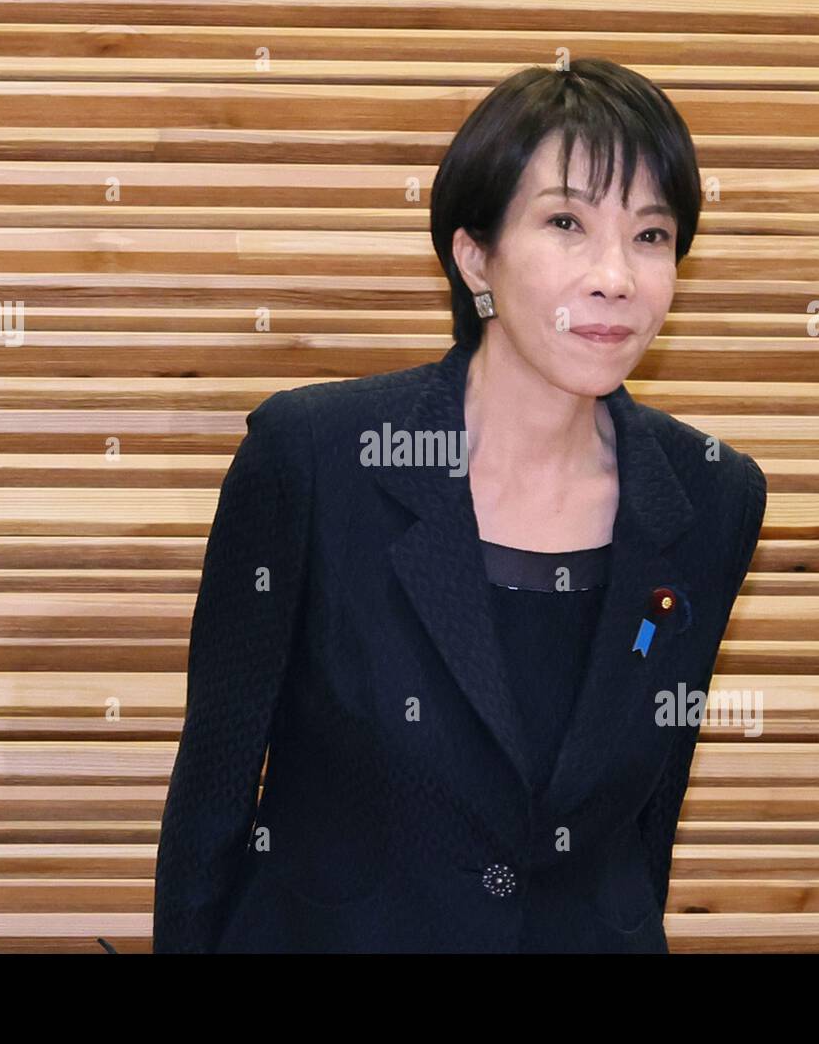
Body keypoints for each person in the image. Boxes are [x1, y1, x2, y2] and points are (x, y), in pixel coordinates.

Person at [152, 57, 767, 953]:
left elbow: (648, 815)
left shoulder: (710, 493)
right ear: (474, 254)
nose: (616, 277)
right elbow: (211, 799)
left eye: (651, 236)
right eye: (567, 222)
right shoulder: (315, 460)